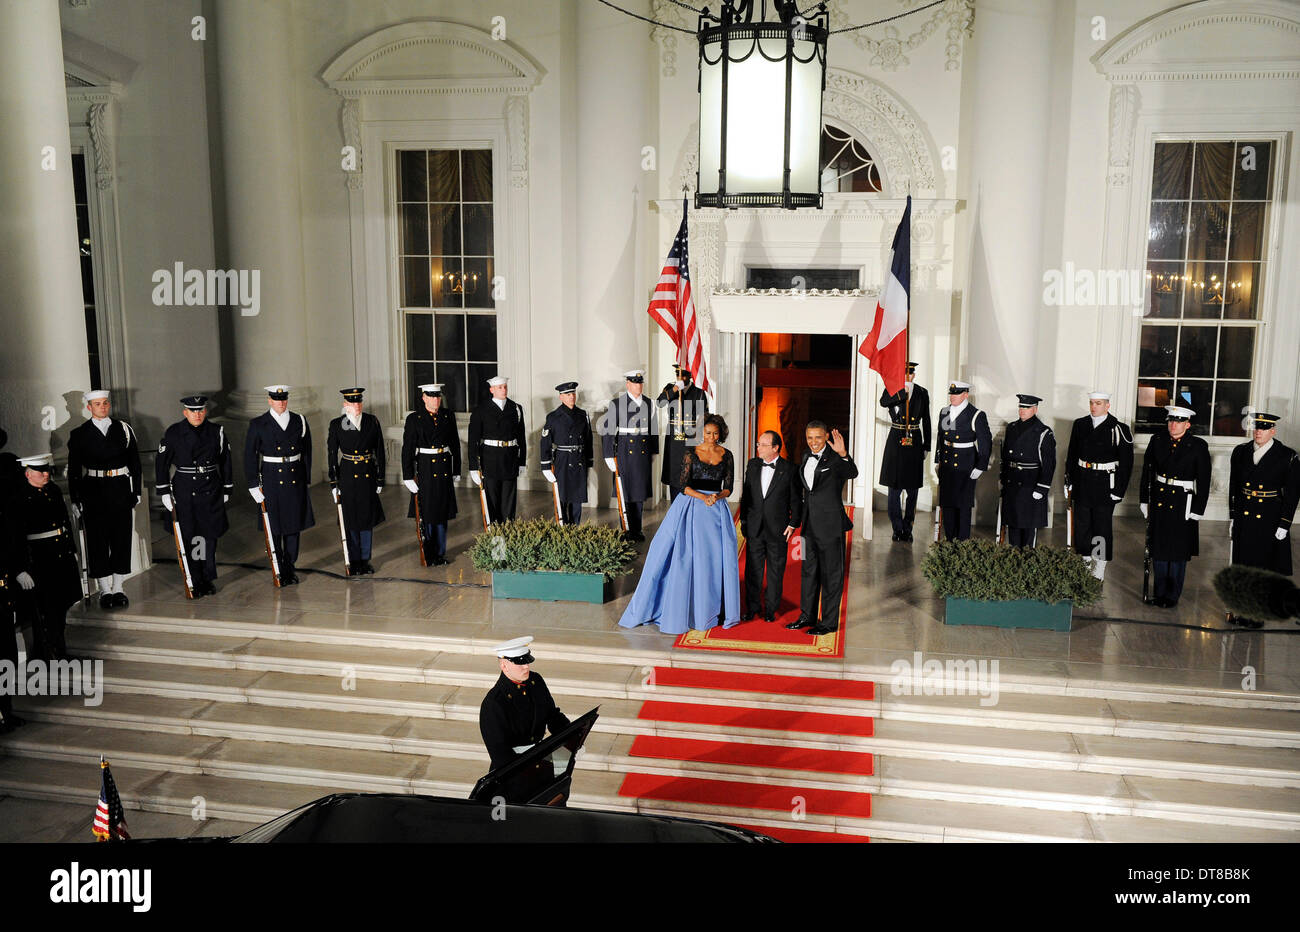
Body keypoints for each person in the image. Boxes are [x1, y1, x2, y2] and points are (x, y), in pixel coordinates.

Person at [618, 414, 738, 633]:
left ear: (721, 434)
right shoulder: (690, 453)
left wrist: (717, 497)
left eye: (715, 433)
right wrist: (703, 498)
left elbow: (729, 486)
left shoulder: (727, 455)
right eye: (708, 432)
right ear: (702, 432)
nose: (711, 437)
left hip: (716, 511)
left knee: (713, 561)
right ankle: (681, 608)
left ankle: (710, 610)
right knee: (684, 558)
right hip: (691, 507)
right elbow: (682, 485)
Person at [66, 389, 141, 608]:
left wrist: (136, 491)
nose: (103, 407)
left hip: (119, 488)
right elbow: (74, 470)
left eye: (105, 403)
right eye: (98, 404)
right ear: (89, 407)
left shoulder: (123, 429)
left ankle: (118, 588)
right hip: (93, 491)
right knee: (97, 540)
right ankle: (104, 590)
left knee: (121, 538)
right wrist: (75, 498)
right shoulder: (79, 434)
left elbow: (135, 463)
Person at [1226, 412, 1300, 627]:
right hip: (1245, 515)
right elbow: (1234, 487)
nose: (1259, 431)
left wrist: (1285, 523)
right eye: (1257, 427)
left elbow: (1293, 494)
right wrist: (1232, 515)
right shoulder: (1241, 452)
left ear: (1273, 431)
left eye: (1264, 428)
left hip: (1269, 517)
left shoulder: (1287, 456)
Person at [156, 395, 233, 597]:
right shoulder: (174, 432)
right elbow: (161, 463)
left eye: (200, 410)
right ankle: (194, 578)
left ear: (205, 411)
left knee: (208, 536)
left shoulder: (217, 432)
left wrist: (227, 488)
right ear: (185, 412)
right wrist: (164, 491)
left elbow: (226, 461)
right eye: (192, 410)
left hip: (210, 489)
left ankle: (207, 578)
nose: (197, 414)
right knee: (190, 536)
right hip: (185, 490)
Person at [787, 421, 858, 636]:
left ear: (826, 435)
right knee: (809, 573)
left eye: (818, 437)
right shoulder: (806, 456)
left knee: (831, 576)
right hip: (809, 526)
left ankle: (828, 623)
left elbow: (852, 472)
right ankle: (807, 616)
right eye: (810, 438)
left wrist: (844, 453)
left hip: (830, 526)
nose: (814, 442)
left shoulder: (835, 457)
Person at [12, 454, 82, 661]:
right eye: (40, 471)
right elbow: (13, 536)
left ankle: (58, 649)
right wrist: (20, 568)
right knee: (46, 608)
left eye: (47, 470)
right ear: (27, 473)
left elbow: (64, 522)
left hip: (60, 555)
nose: (45, 474)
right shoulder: (18, 497)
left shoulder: (53, 490)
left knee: (61, 604)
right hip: (40, 559)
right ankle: (49, 653)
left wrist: (72, 551)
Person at [1139, 406, 1211, 608]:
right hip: (1160, 498)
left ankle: (1172, 596)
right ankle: (1159, 593)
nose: (1173, 424)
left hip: (1183, 502)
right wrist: (1144, 499)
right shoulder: (1158, 440)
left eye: (1178, 421)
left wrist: (1198, 509)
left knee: (1178, 552)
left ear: (1187, 425)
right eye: (1171, 420)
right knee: (1160, 549)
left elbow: (1204, 480)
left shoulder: (1197, 446)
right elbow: (1147, 473)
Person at [244, 384, 314, 586]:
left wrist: (305, 479)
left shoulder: (299, 420)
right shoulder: (258, 424)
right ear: (269, 401)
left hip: (294, 480)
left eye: (284, 399)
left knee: (293, 527)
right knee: (273, 527)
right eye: (276, 399)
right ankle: (277, 566)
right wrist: (253, 485)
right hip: (271, 480)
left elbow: (307, 451)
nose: (281, 403)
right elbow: (250, 455)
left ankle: (289, 567)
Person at [1065, 391, 1134, 581]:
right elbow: (1072, 454)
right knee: (1082, 525)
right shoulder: (1080, 424)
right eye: (1091, 403)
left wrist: (1119, 490)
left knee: (1101, 527)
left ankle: (1099, 565)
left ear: (1107, 406)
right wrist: (1068, 480)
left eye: (1098, 403)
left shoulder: (1119, 428)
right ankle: (1085, 563)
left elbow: (1126, 464)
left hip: (1105, 485)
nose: (1094, 407)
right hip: (1082, 481)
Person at [479, 636, 571, 772]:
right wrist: (530, 773)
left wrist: (571, 736)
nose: (526, 666)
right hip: (514, 769)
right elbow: (500, 755)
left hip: (542, 756)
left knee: (560, 786)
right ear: (504, 666)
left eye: (527, 661)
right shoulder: (494, 703)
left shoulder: (536, 680)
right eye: (519, 663)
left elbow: (552, 715)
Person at [739, 430, 800, 622]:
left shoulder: (790, 469)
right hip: (755, 527)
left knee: (775, 571)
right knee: (752, 571)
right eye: (758, 444)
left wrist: (793, 523)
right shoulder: (753, 464)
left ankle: (770, 610)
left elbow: (796, 500)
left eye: (763, 445)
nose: (759, 447)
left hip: (778, 529)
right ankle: (752, 608)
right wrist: (745, 521)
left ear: (775, 448)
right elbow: (747, 496)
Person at [328, 387, 386, 575]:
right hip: (348, 475)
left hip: (367, 473)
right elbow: (331, 454)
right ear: (345, 404)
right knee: (351, 519)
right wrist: (333, 481)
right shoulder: (338, 424)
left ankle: (364, 559)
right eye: (353, 402)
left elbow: (380, 450)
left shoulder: (371, 421)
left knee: (366, 518)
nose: (357, 405)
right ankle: (353, 560)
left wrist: (380, 477)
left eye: (359, 401)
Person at [401, 384, 460, 566]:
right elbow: (408, 449)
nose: (436, 400)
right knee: (427, 512)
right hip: (425, 468)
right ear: (424, 398)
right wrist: (407, 476)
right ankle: (429, 552)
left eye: (438, 397)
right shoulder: (414, 419)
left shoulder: (447, 416)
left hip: (443, 467)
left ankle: (440, 553)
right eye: (432, 397)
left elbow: (455, 444)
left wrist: (456, 470)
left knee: (441, 512)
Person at [601, 369, 658, 543]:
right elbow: (608, 431)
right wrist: (609, 455)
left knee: (639, 493)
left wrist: (654, 451)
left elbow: (653, 430)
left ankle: (637, 529)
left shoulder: (649, 403)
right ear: (627, 384)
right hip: (625, 451)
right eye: (634, 382)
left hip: (642, 452)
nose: (638, 385)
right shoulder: (617, 404)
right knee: (625, 492)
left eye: (640, 382)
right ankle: (625, 528)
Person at [934, 381, 991, 541]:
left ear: (966, 394)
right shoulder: (945, 411)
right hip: (947, 463)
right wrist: (938, 460)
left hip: (965, 464)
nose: (952, 396)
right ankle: (950, 538)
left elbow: (985, 442)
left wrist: (981, 465)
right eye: (951, 393)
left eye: (957, 393)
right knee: (948, 503)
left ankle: (962, 541)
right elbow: (941, 437)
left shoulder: (976, 414)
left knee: (963, 505)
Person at [879, 361, 930, 542]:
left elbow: (927, 420)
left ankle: (908, 527)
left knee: (912, 489)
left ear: (914, 375)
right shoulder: (893, 389)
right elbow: (883, 402)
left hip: (914, 439)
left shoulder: (922, 392)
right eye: (905, 374)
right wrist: (902, 392)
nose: (908, 377)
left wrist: (927, 446)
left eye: (910, 374)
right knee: (894, 488)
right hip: (896, 440)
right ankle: (897, 527)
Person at [998, 393, 1056, 547]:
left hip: (1030, 484)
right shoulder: (1012, 427)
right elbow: (1005, 457)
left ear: (1035, 409)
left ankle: (1027, 563)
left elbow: (1049, 464)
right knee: (1013, 524)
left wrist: (1042, 488)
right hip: (1012, 482)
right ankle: (1015, 560)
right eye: (1021, 407)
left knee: (1029, 527)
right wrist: (1002, 478)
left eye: (1027, 407)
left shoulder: (1043, 432)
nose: (1022, 410)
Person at [468, 375, 526, 523]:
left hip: (510, 459)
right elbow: (473, 441)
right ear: (491, 390)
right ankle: (494, 538)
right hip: (490, 460)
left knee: (508, 502)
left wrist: (522, 462)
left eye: (505, 386)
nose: (503, 389)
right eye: (500, 387)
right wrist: (473, 468)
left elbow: (521, 438)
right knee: (492, 501)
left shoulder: (516, 408)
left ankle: (508, 533)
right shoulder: (480, 410)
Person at [540, 381, 593, 525]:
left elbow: (588, 439)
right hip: (562, 460)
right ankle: (563, 528)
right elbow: (545, 442)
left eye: (573, 393)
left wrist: (589, 461)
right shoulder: (553, 417)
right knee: (562, 496)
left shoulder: (582, 415)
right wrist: (545, 466)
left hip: (579, 459)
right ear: (561, 397)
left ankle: (575, 527)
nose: (572, 397)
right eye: (568, 394)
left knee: (577, 498)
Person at [658, 364, 710, 502]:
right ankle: (675, 504)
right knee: (674, 472)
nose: (680, 378)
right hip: (674, 439)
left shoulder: (698, 392)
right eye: (678, 375)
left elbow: (703, 418)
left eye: (684, 375)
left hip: (691, 438)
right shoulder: (670, 388)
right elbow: (660, 403)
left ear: (691, 376)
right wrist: (675, 389)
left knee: (689, 472)